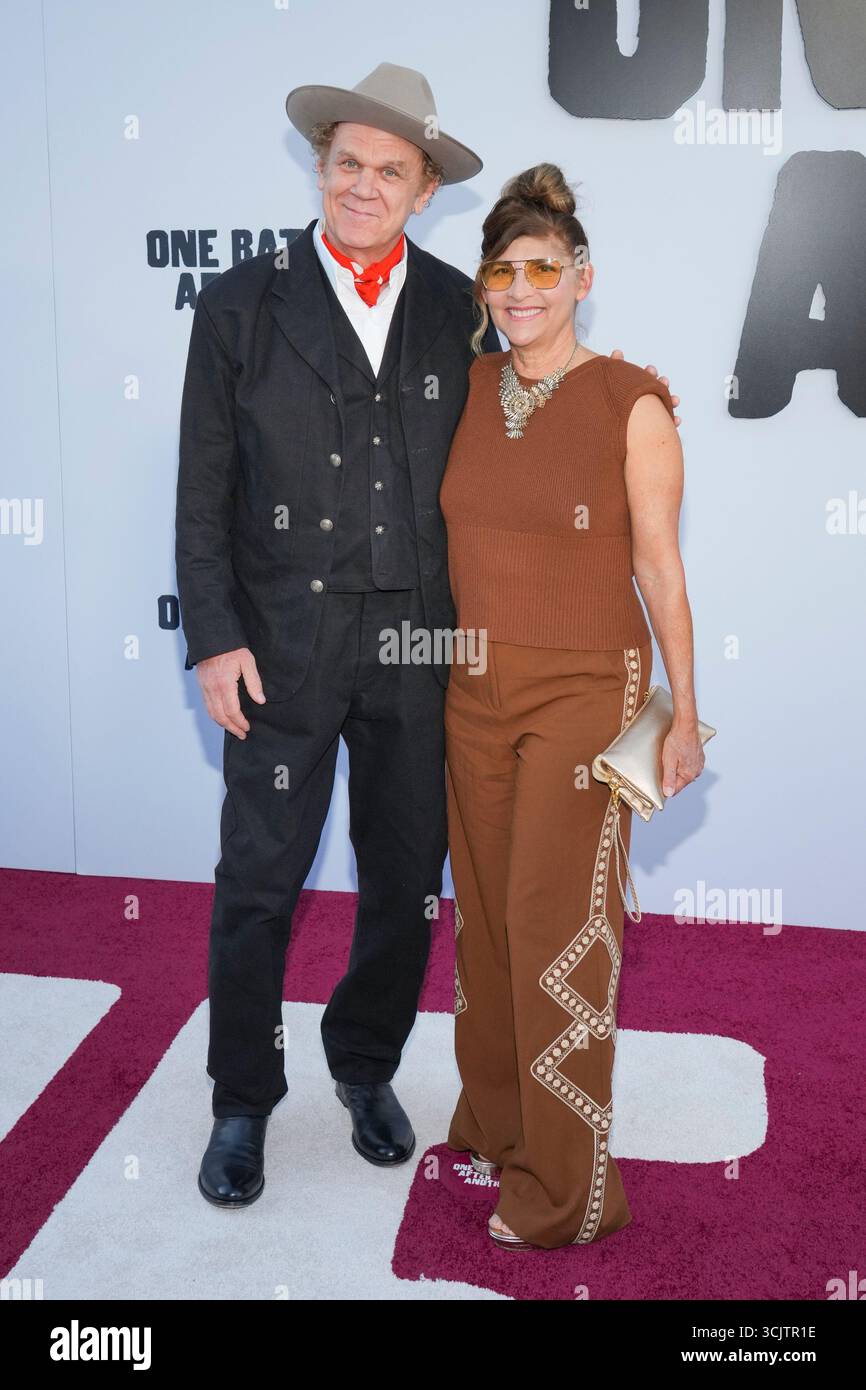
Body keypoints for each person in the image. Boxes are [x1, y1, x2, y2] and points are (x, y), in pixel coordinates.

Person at [175, 62, 680, 1210]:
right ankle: (241, 1097)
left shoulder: (462, 308)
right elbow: (201, 491)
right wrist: (212, 636)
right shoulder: (238, 305)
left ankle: (365, 1066)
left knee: (404, 879)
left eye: (390, 170)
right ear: (320, 168)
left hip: (422, 652)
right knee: (258, 877)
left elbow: (541, 419)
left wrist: (632, 398)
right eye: (348, 162)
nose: (365, 185)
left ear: (422, 191)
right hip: (281, 647)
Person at [439, 163, 703, 1249]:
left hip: (589, 690)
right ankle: (500, 1124)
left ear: (581, 277)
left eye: (542, 269)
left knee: (557, 926)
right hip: (472, 688)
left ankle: (566, 1194)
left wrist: (686, 713)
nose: (521, 289)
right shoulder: (467, 387)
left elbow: (659, 565)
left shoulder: (630, 401)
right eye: (502, 270)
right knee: (487, 921)